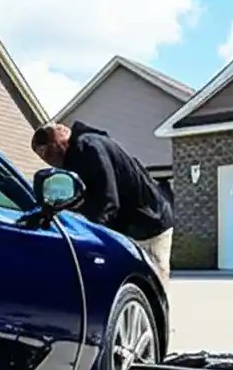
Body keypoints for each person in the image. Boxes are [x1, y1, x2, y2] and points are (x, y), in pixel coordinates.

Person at [31, 121, 174, 286]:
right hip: (129, 228)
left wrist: (91, 235)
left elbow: (108, 200)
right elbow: (78, 199)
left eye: (46, 152)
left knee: (152, 288)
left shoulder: (90, 147)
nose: (47, 159)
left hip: (150, 223)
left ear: (59, 140)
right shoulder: (76, 157)